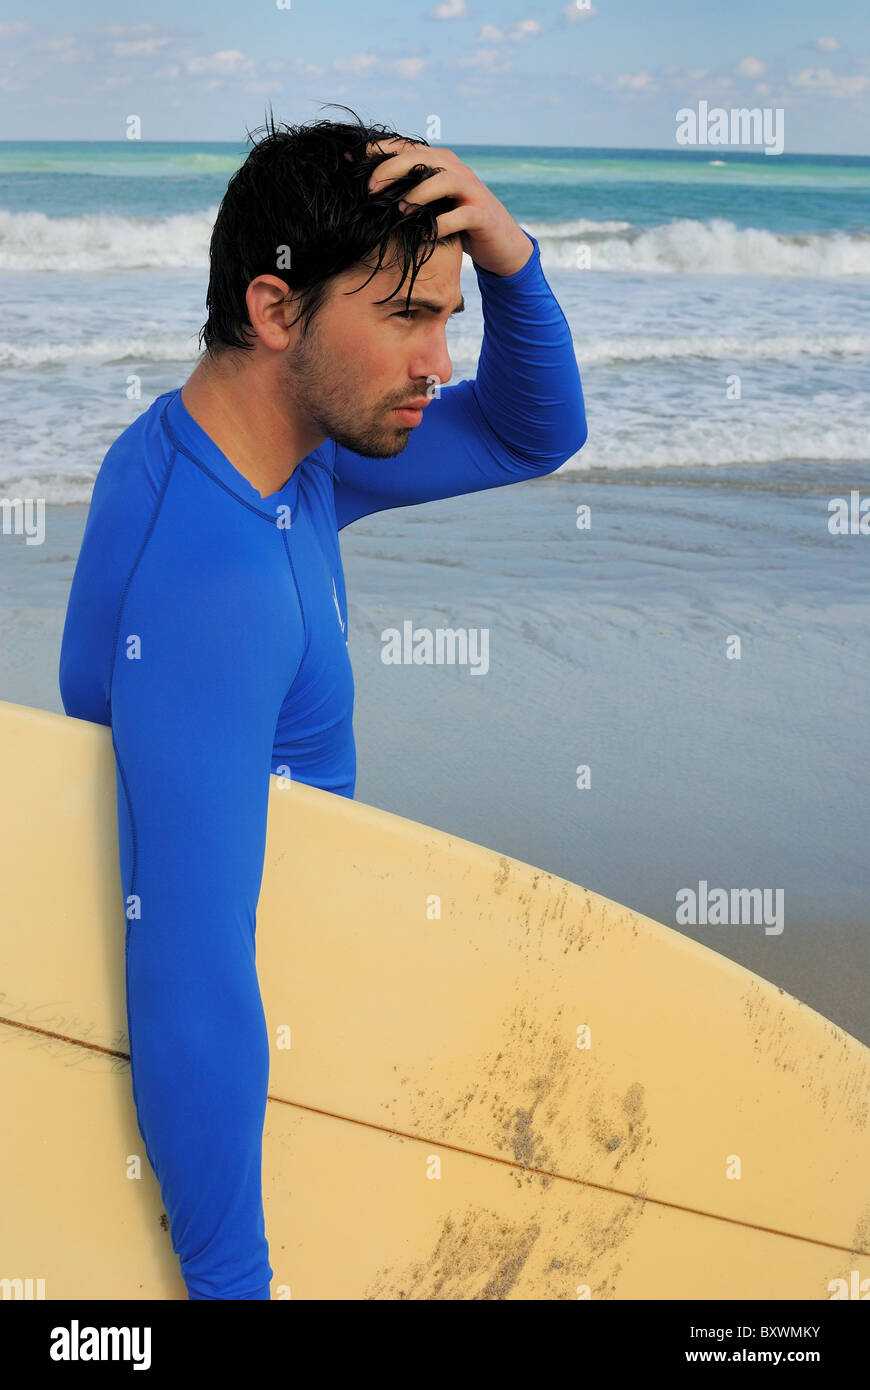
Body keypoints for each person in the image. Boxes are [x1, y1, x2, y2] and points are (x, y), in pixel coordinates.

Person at [58, 106, 587, 1300]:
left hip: (308, 1006)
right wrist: (230, 1280)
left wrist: (510, 257)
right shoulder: (206, 580)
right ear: (276, 307)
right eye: (407, 315)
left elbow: (528, 432)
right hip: (249, 1060)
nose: (438, 362)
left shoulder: (293, 453)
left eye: (447, 318)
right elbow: (188, 980)